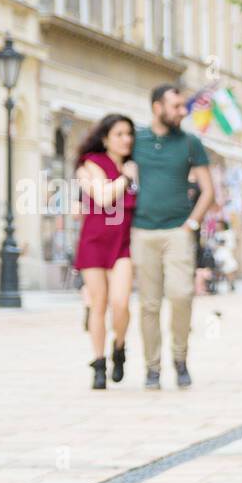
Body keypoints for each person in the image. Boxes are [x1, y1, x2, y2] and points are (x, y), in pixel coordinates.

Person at [130, 84, 214, 389]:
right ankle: (152, 367)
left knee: (181, 294)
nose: (182, 111)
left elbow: (208, 189)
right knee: (149, 304)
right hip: (142, 231)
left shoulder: (190, 142)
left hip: (178, 231)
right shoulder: (136, 140)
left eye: (183, 106)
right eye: (176, 106)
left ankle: (180, 358)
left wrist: (191, 225)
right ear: (157, 107)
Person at [73, 114, 138, 390]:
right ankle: (99, 363)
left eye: (129, 134)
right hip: (94, 241)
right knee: (98, 304)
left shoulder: (136, 167)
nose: (126, 139)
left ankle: (119, 347)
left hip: (122, 243)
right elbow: (102, 197)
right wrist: (125, 177)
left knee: (121, 303)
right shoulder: (90, 164)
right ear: (105, 138)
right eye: (119, 134)